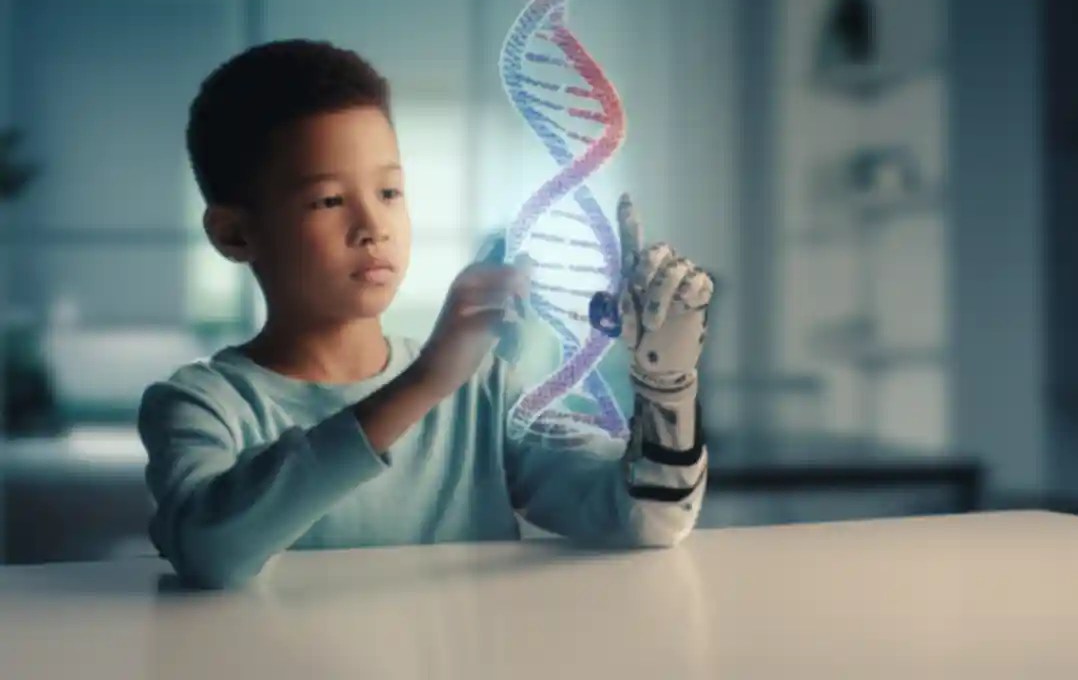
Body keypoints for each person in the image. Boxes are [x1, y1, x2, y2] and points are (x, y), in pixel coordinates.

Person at [137, 39, 714, 589]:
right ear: (234, 233)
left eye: (390, 193)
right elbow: (209, 554)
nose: (373, 227)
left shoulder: (482, 394)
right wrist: (425, 382)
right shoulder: (202, 405)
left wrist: (667, 385)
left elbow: (647, 521)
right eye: (329, 201)